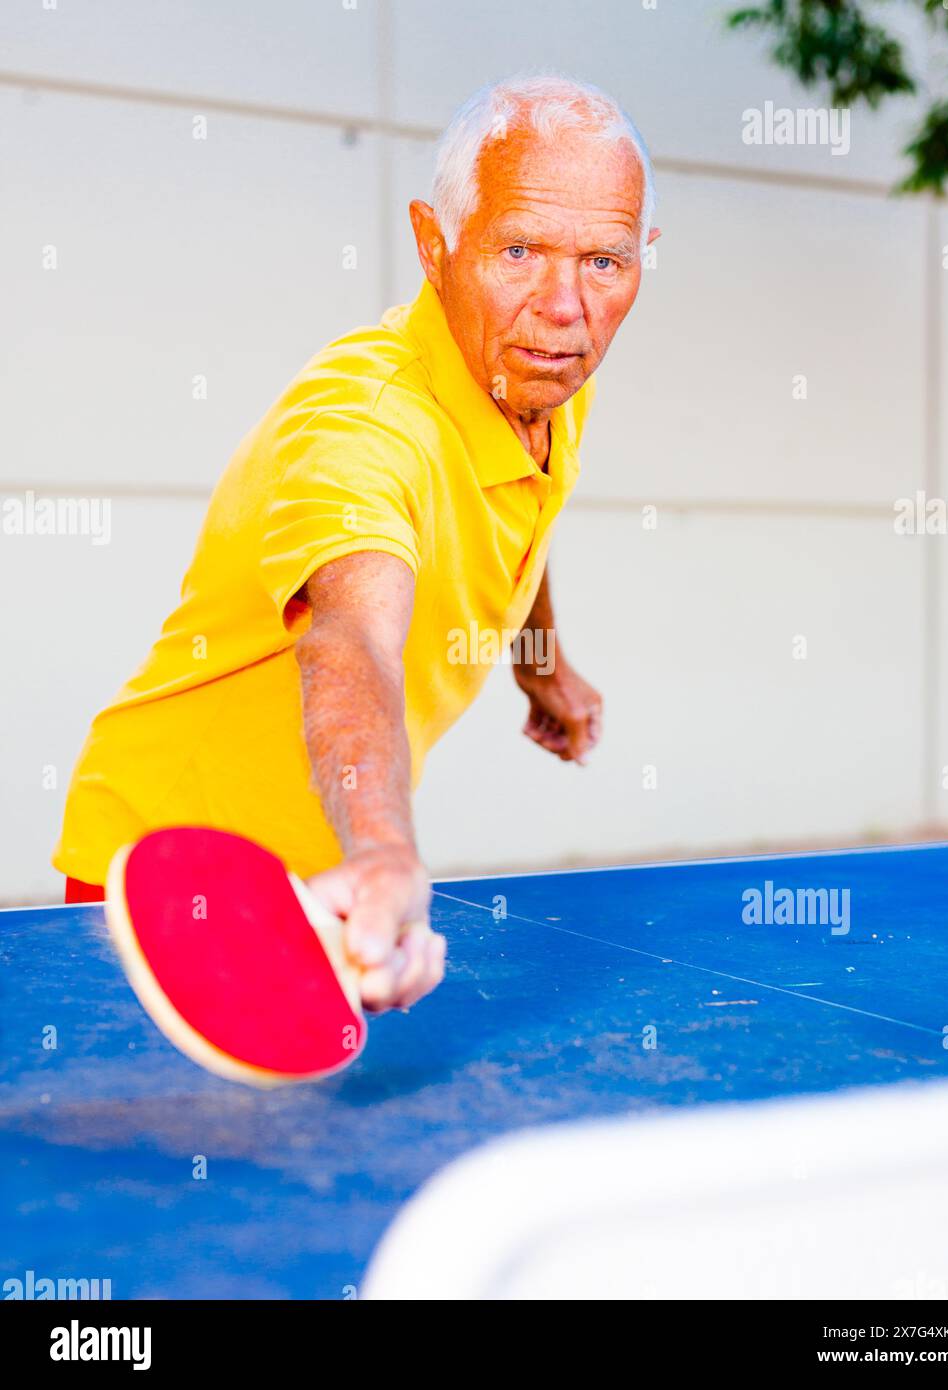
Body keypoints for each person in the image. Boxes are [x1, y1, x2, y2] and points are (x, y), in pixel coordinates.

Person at [54, 72, 660, 1013]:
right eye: (518, 249)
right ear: (434, 244)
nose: (564, 304)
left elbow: (525, 504)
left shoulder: (539, 377)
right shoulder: (361, 425)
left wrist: (541, 661)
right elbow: (351, 634)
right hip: (177, 876)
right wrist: (385, 847)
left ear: (640, 260)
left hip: (337, 890)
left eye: (603, 262)